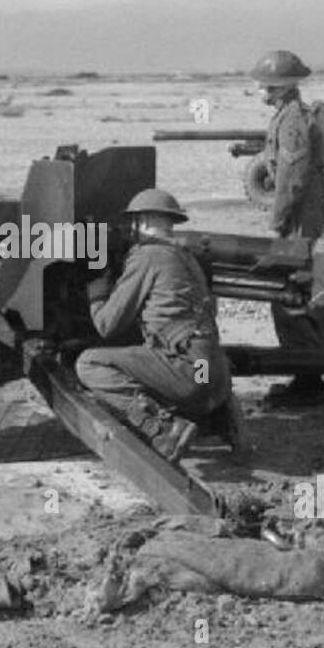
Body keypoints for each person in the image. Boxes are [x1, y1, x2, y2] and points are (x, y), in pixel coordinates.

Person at [76, 188, 232, 461]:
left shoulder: (148, 257)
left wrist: (97, 293)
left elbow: (105, 326)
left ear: (142, 221)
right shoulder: (186, 255)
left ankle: (164, 428)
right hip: (212, 374)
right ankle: (222, 420)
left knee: (89, 364)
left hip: (188, 377)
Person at [253, 49, 324, 405]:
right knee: (304, 294)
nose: (259, 90)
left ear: (278, 86)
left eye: (263, 85)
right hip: (306, 219)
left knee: (293, 294)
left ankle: (308, 382)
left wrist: (277, 223)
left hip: (302, 223)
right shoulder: (289, 116)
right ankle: (309, 376)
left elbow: (292, 180)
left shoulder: (292, 122)